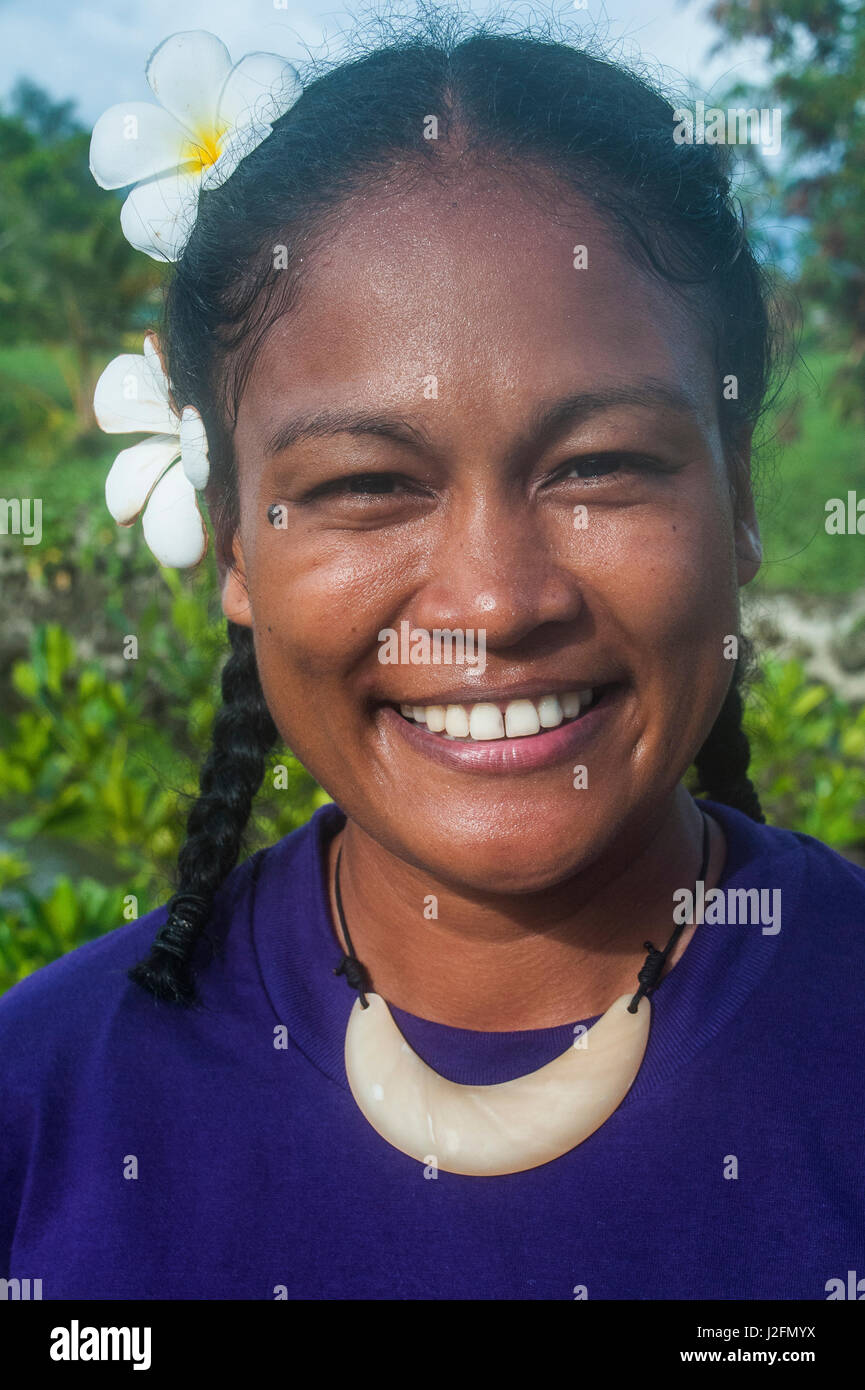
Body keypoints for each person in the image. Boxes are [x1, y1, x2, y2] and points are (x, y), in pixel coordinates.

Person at [2, 11, 864, 1301]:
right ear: (235, 544)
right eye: (365, 483)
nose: (494, 601)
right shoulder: (40, 1097)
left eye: (601, 467)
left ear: (737, 499)